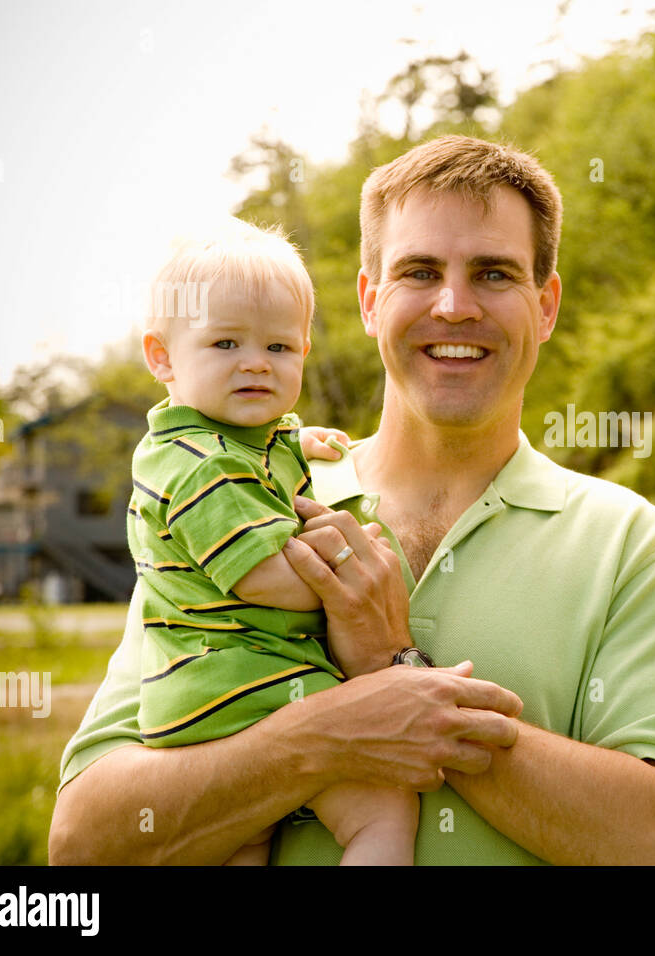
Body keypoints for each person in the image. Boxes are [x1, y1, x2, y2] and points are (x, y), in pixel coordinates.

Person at [49, 136, 655, 866]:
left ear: (546, 306)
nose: (455, 306)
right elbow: (85, 845)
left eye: (493, 273)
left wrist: (390, 667)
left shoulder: (635, 546)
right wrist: (323, 734)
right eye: (419, 272)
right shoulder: (238, 491)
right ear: (370, 301)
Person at [130, 220, 416, 865]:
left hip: (202, 699)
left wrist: (300, 441)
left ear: (305, 350)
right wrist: (356, 584)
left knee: (244, 838)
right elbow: (266, 579)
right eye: (225, 342)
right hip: (244, 684)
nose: (256, 362)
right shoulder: (205, 466)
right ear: (162, 357)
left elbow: (266, 448)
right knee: (383, 804)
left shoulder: (223, 440)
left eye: (280, 348)